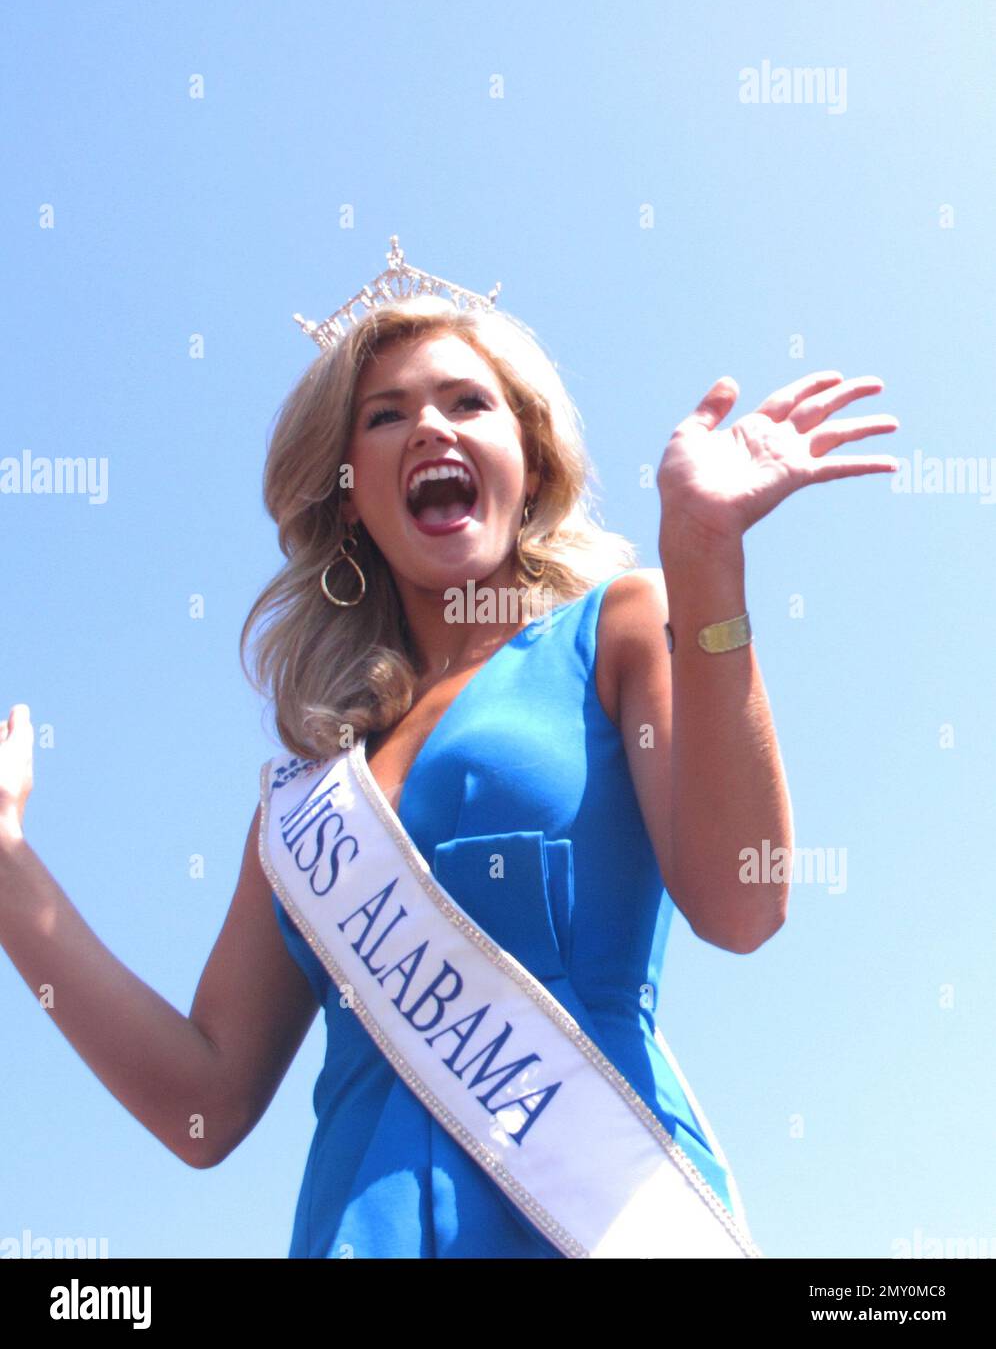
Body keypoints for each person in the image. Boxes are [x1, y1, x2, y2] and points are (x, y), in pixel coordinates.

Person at [0, 241, 899, 1259]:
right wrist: (6, 861)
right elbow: (199, 1101)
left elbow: (745, 904)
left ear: (532, 460)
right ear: (346, 493)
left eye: (469, 404)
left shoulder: (618, 627)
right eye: (386, 414)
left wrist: (705, 564)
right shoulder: (306, 799)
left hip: (596, 1214)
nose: (429, 423)